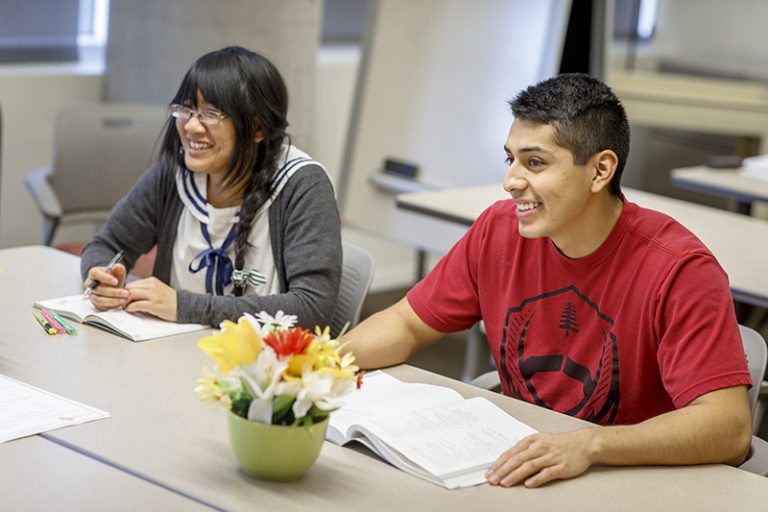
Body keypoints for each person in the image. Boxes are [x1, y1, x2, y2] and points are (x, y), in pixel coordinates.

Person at [345, 73, 752, 487]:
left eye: (535, 163)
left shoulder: (680, 269)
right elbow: (407, 323)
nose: (511, 182)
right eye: (511, 160)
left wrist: (589, 445)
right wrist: (317, 361)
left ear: (600, 171)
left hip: (629, 478)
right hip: (526, 465)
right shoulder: (498, 230)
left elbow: (729, 427)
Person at [81, 46, 341, 328]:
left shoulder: (302, 185)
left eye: (211, 114)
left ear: (258, 129)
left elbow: (312, 306)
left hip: (261, 364)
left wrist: (184, 306)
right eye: (187, 109)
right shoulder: (175, 173)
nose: (191, 126)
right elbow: (108, 243)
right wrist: (102, 276)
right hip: (171, 351)